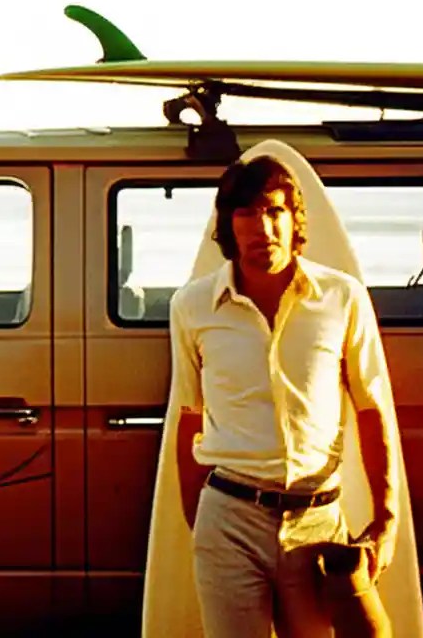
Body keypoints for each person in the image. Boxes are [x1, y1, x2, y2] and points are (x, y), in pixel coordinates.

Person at [167, 154, 399, 637]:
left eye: (274, 211)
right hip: (229, 517)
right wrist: (201, 521)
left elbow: (372, 411)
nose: (262, 228)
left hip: (316, 522)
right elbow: (190, 415)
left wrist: (386, 519)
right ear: (228, 226)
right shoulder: (192, 306)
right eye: (247, 214)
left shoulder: (342, 297)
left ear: (295, 220)